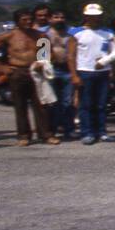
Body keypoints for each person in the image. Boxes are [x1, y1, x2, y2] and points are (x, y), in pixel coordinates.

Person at [0, 8, 57, 146]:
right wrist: (2, 67)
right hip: (17, 72)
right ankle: (24, 135)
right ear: (17, 21)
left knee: (41, 104)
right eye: (24, 20)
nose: (28, 22)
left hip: (36, 72)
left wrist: (43, 62)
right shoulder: (9, 36)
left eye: (30, 19)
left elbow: (49, 53)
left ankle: (46, 134)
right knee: (20, 105)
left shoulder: (41, 36)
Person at [70, 3, 115, 145]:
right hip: (85, 72)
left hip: (103, 73)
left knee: (101, 104)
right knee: (86, 105)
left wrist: (106, 63)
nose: (95, 18)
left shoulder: (108, 33)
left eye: (97, 16)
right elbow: (71, 56)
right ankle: (87, 133)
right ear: (86, 16)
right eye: (92, 16)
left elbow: (114, 52)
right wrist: (74, 75)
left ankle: (101, 132)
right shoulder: (76, 32)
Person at [45, 10, 75, 141]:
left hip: (66, 70)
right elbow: (42, 57)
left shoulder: (69, 36)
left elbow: (73, 55)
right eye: (56, 17)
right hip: (51, 70)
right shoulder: (44, 36)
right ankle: (52, 130)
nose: (59, 19)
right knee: (52, 102)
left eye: (62, 17)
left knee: (67, 102)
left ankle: (68, 129)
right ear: (50, 19)